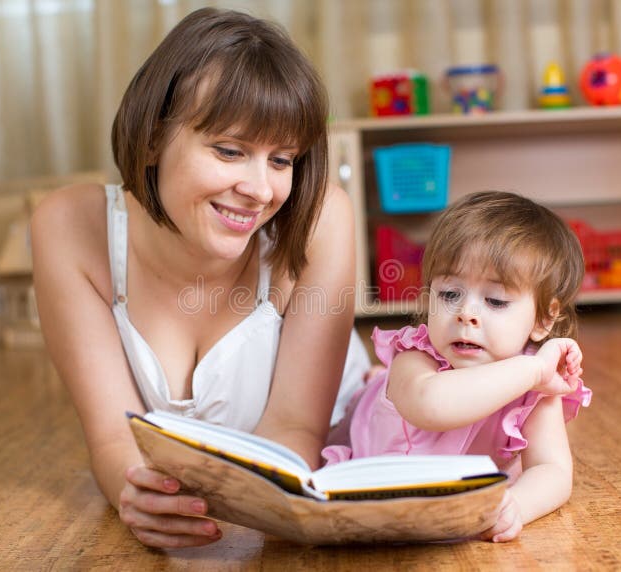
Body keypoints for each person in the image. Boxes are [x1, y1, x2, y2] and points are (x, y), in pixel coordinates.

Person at [31, 8, 370, 549]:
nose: (261, 190)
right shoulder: (69, 228)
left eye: (281, 159)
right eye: (230, 150)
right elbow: (114, 437)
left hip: (331, 450)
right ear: (151, 139)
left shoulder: (319, 220)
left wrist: (226, 505)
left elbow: (296, 428)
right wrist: (137, 493)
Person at [323, 191, 592, 543]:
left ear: (544, 318)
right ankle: (375, 386)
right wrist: (532, 371)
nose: (467, 314)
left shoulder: (537, 386)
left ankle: (376, 382)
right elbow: (433, 406)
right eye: (450, 294)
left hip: (445, 500)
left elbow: (552, 469)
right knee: (345, 417)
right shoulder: (416, 356)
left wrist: (517, 505)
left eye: (495, 301)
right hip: (373, 462)